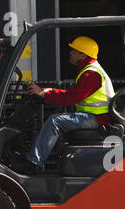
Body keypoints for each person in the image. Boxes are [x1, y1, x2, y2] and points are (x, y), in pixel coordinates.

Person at [15, 36, 113, 174]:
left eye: (74, 50)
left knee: (55, 121)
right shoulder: (89, 70)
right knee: (58, 120)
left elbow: (71, 98)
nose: (70, 52)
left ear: (83, 54)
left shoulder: (91, 74)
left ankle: (33, 162)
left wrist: (45, 94)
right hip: (93, 117)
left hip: (96, 119)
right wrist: (48, 91)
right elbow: (73, 93)